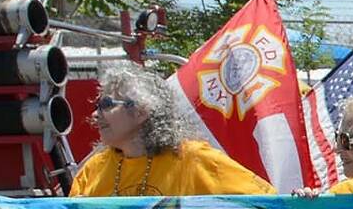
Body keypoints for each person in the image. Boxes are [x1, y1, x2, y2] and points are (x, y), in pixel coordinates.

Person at [69, 64, 272, 197]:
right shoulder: (92, 170)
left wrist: (302, 201)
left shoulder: (193, 159)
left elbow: (268, 206)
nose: (96, 115)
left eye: (106, 104)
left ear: (141, 111)